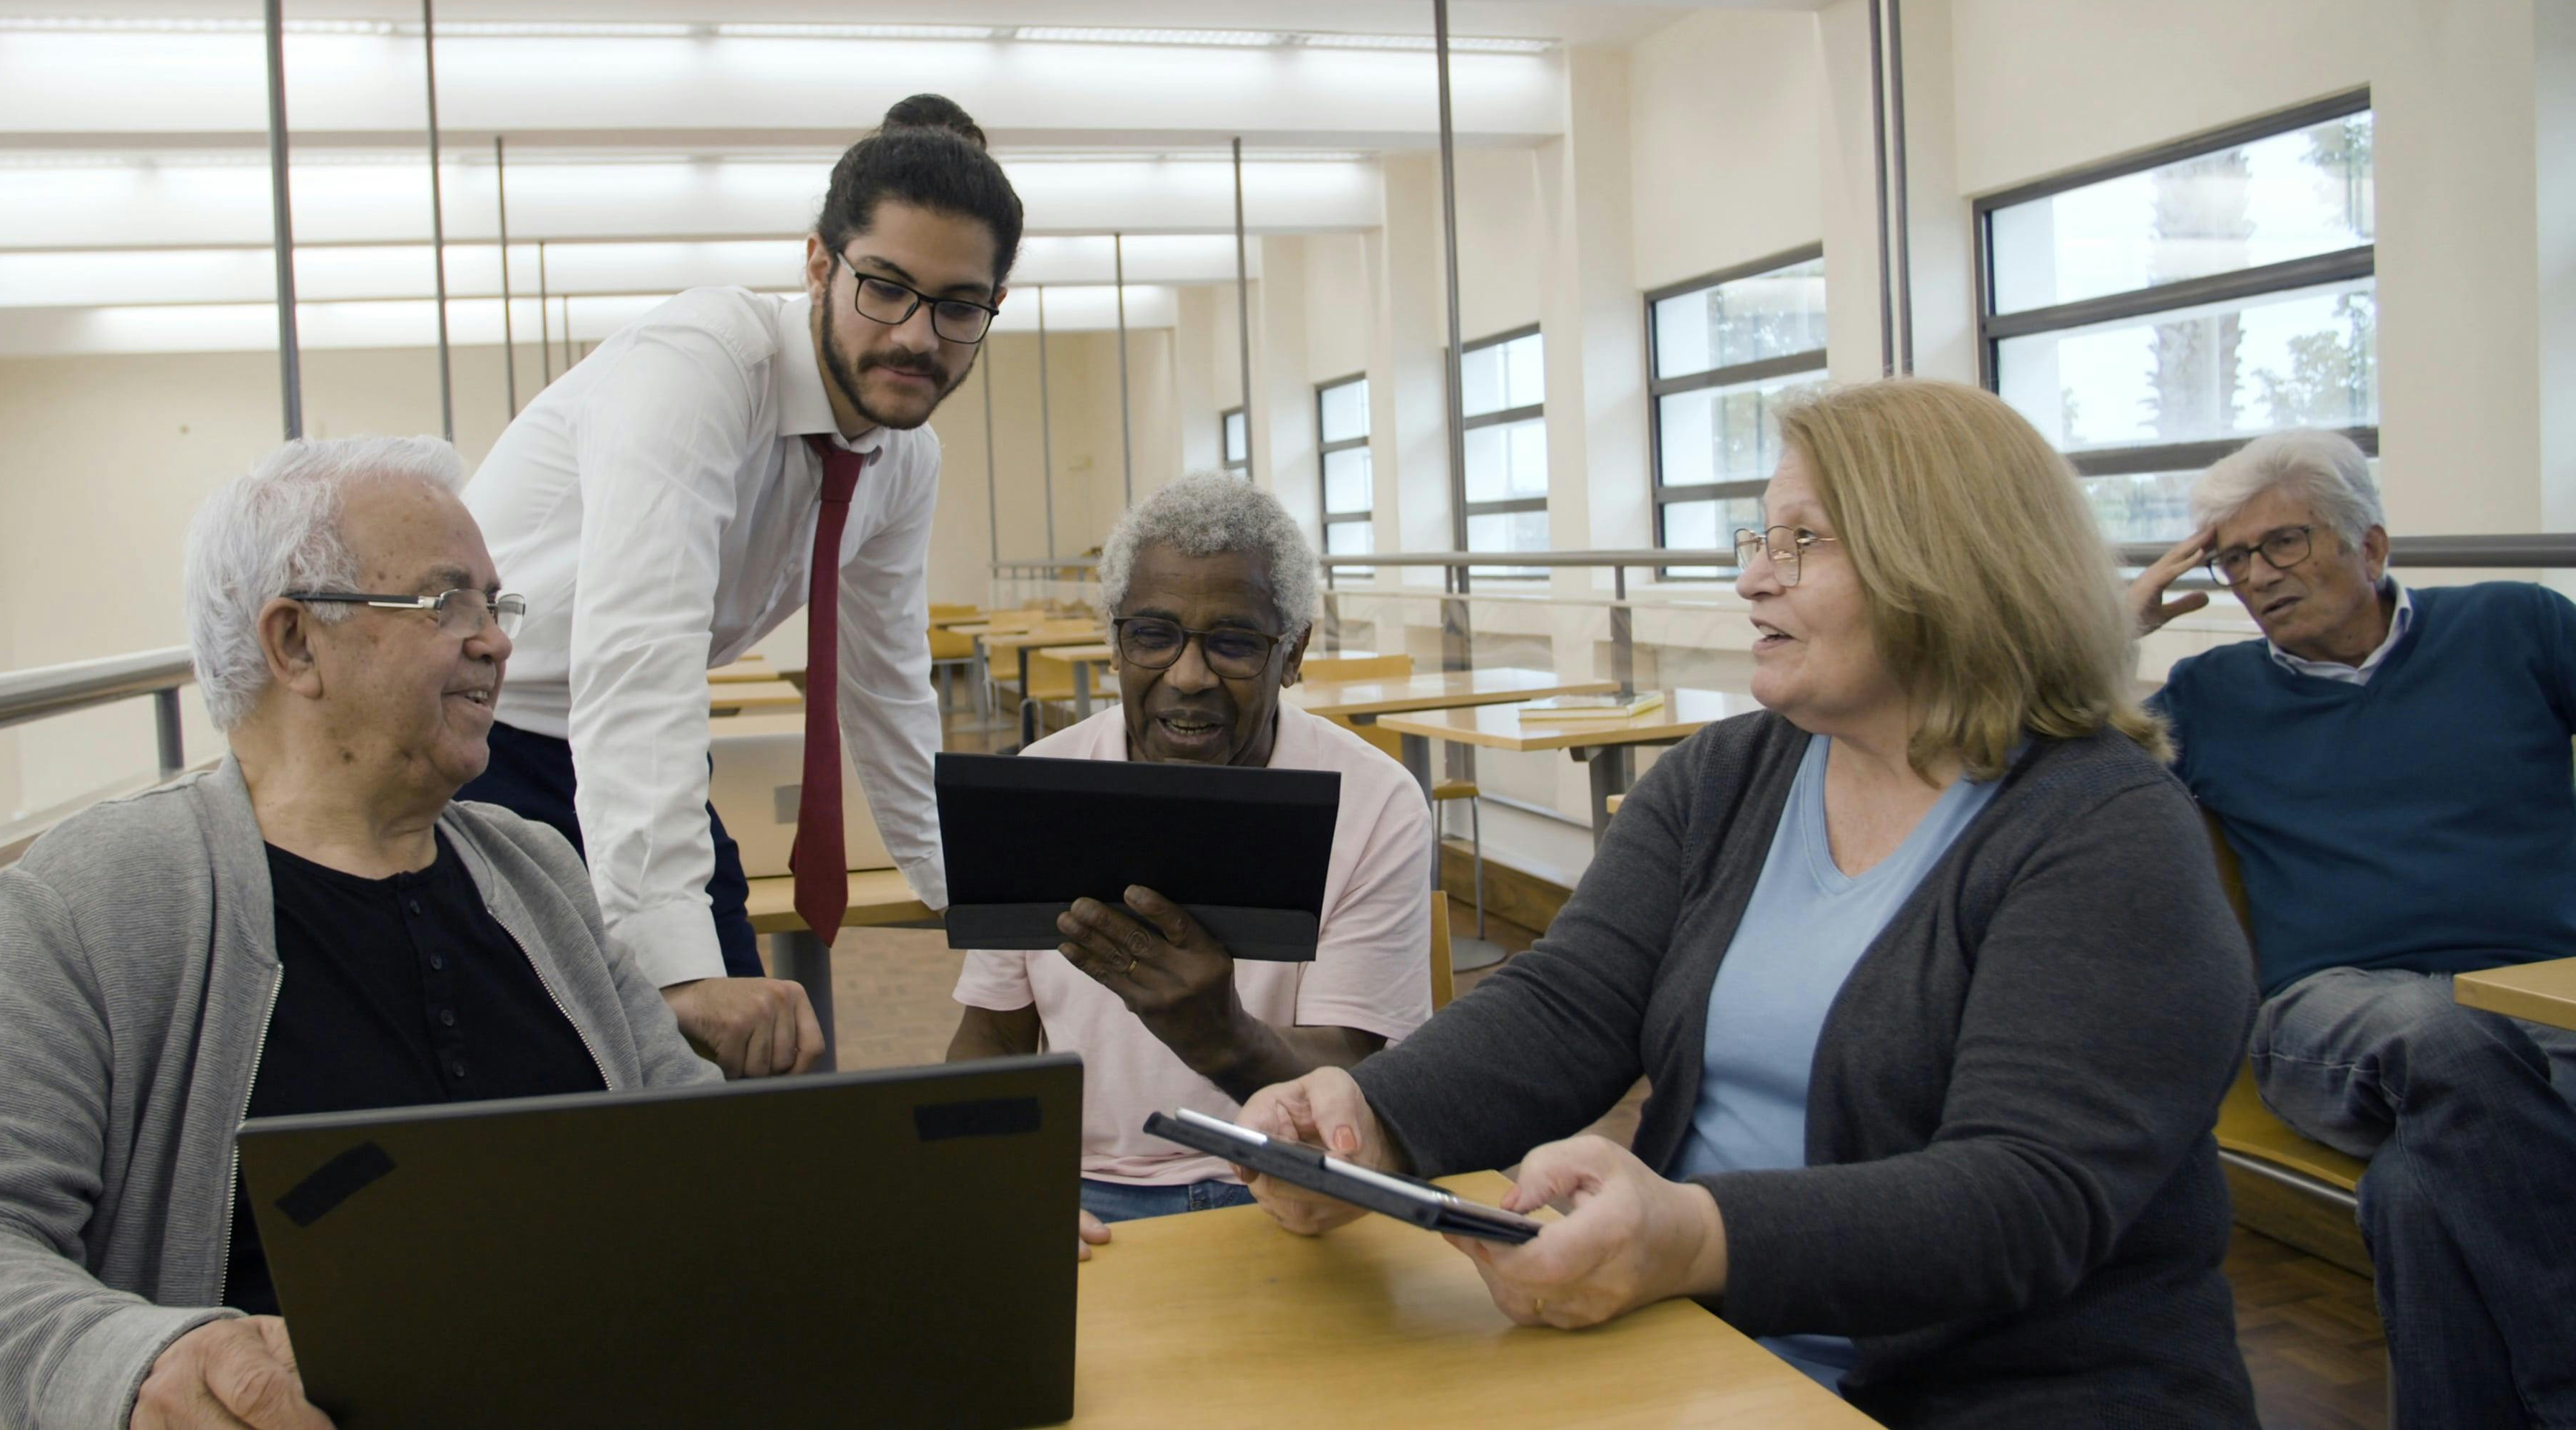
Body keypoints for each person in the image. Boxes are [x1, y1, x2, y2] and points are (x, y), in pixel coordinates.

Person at [1236, 380, 2260, 1426]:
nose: (1753, 578)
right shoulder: (1723, 778)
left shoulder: (2107, 835)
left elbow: (2024, 1195)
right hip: (1711, 1353)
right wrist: (1370, 1122)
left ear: (1946, 566)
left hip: (2008, 1393)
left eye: (1803, 542)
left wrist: (1693, 1237)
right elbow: (1570, 1004)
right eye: (1760, 539)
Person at [0, 438, 718, 1430]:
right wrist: (137, 1364)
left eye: (494, 605)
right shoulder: (113, 896)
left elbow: (707, 1160)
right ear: (295, 644)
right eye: (445, 603)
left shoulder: (535, 870)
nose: (496, 644)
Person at [458, 93, 1023, 1076]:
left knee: (754, 1071)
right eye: (885, 288)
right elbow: (640, 651)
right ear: (819, 265)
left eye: (959, 307)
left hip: (613, 748)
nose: (917, 336)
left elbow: (886, 688)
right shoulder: (702, 365)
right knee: (572, 1072)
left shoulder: (904, 458)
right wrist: (677, 972)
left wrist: (970, 899)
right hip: (477, 741)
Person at [2130, 426, 2576, 1428]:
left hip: (2541, 1008)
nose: (2256, 576)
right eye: (2233, 558)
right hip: (2332, 1020)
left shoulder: (2518, 626)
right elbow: (2033, 778)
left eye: (2282, 543)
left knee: (2418, 1190)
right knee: (2443, 1037)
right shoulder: (2210, 697)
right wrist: (2105, 635)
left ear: (2370, 546)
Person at [946, 472, 1432, 1259]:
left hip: (1293, 1181)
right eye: (1153, 634)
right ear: (1115, 643)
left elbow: (1355, 1075)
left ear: (1294, 652)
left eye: (1234, 642)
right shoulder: (1040, 788)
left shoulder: (1373, 801)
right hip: (1084, 1187)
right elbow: (991, 1041)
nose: (1188, 675)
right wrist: (1007, 1179)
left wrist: (1221, 1036)